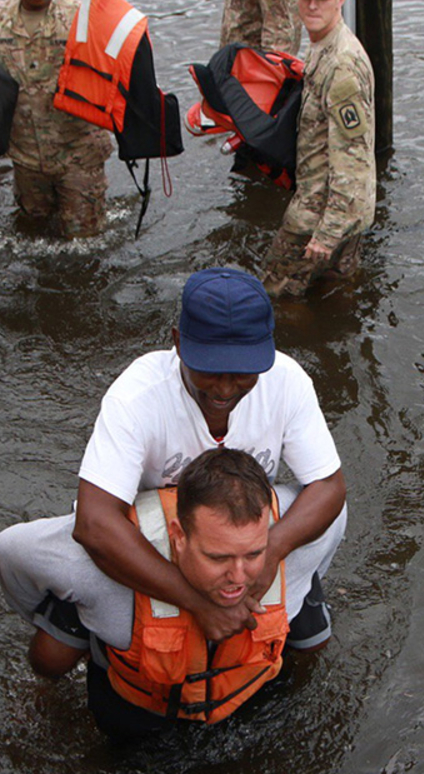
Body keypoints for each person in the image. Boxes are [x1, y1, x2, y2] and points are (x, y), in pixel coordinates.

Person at [70, 268, 349, 649]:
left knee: (310, 644)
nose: (224, 388)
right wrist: (194, 601)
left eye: (242, 373)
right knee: (54, 656)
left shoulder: (287, 381)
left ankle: (296, 592)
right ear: (178, 343)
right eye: (210, 369)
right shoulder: (136, 397)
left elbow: (329, 486)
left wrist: (270, 553)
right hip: (163, 539)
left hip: (244, 541)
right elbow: (93, 522)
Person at [0, 447, 344, 738]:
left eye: (253, 554)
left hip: (243, 685)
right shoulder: (90, 568)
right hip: (139, 696)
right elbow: (10, 550)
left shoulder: (299, 532)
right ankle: (77, 619)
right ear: (178, 537)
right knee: (49, 660)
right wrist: (76, 611)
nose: (239, 578)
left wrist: (291, 579)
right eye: (217, 557)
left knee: (314, 641)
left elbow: (335, 506)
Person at [0, 0, 112, 238]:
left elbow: (119, 66)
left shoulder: (81, 16)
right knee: (33, 235)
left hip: (78, 153)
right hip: (26, 156)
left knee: (85, 242)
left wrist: (113, 11)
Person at [260, 0, 376, 299]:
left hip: (322, 209)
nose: (312, 5)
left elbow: (353, 161)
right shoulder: (322, 46)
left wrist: (327, 233)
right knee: (334, 293)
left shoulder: (341, 66)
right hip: (344, 209)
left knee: (276, 296)